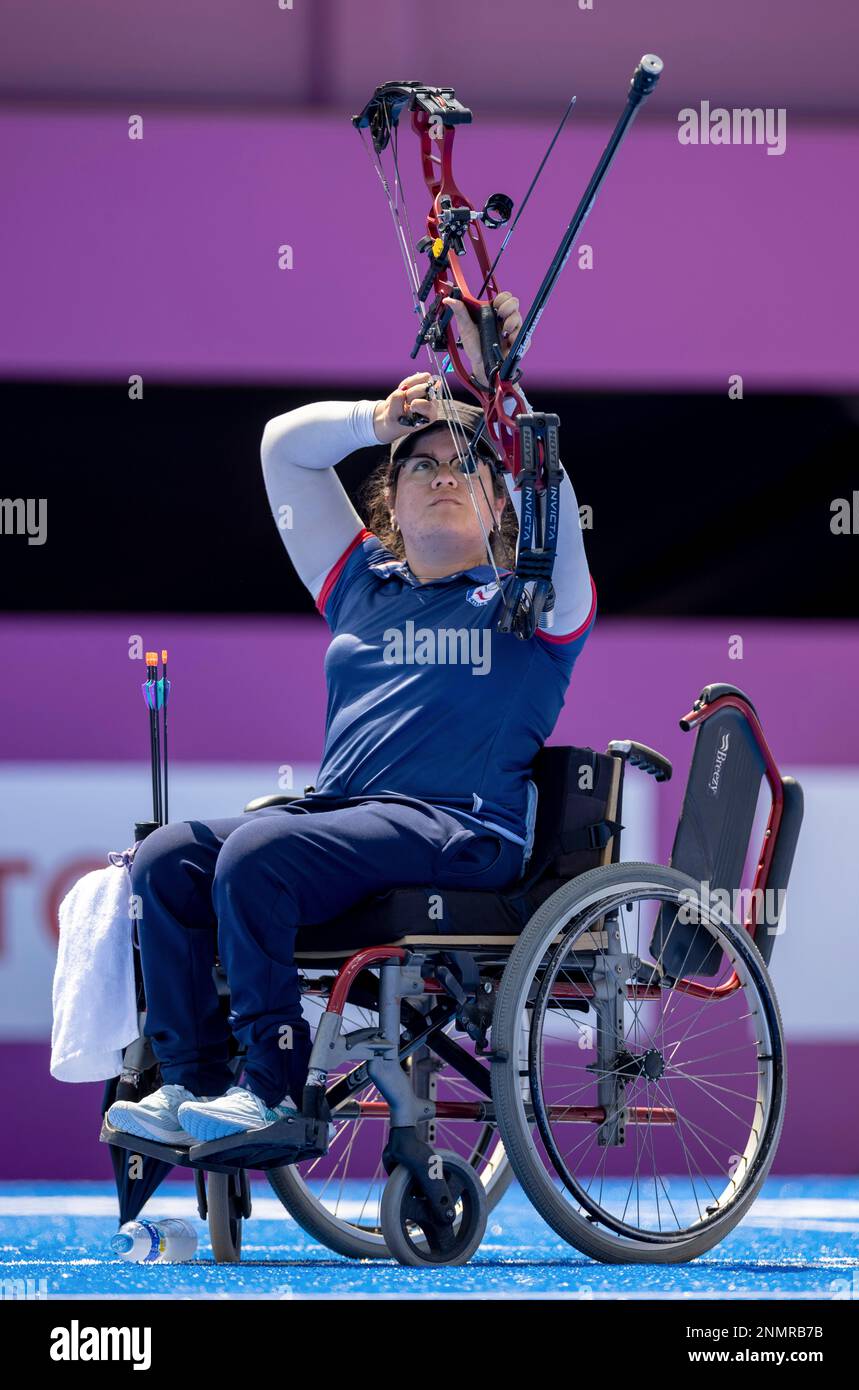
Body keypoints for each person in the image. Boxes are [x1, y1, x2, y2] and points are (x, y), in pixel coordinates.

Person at [108, 292, 596, 1147]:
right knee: (167, 860)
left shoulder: (533, 600)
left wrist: (499, 388)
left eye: (465, 467)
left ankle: (270, 1092)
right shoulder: (360, 585)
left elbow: (549, 491)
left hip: (460, 830)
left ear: (496, 502)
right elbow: (283, 451)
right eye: (419, 464)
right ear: (390, 503)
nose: (443, 473)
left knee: (261, 851)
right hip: (346, 824)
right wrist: (379, 416)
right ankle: (192, 1085)